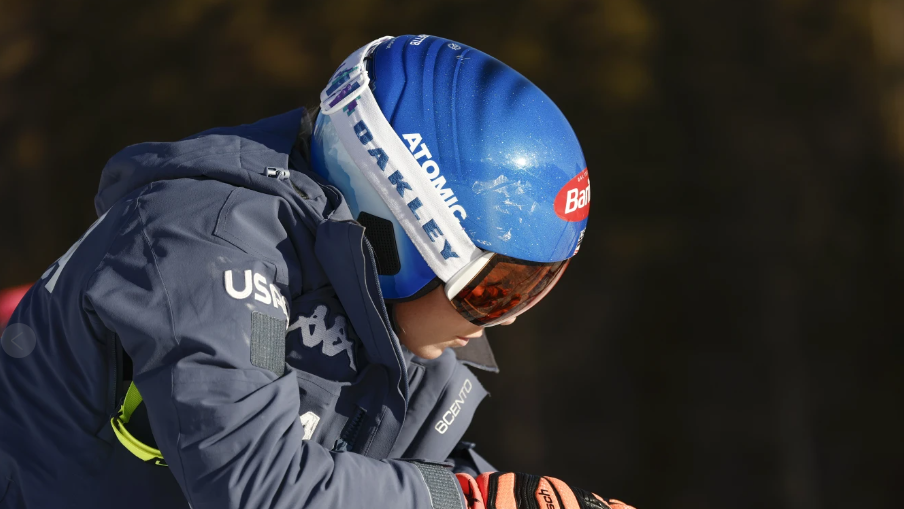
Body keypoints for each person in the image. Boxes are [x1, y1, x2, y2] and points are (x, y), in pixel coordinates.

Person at [0, 35, 631, 509]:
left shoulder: (385, 315)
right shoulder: (207, 243)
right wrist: (478, 501)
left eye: (537, 284)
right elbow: (258, 486)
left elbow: (412, 475)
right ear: (399, 235)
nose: (514, 314)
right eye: (497, 288)